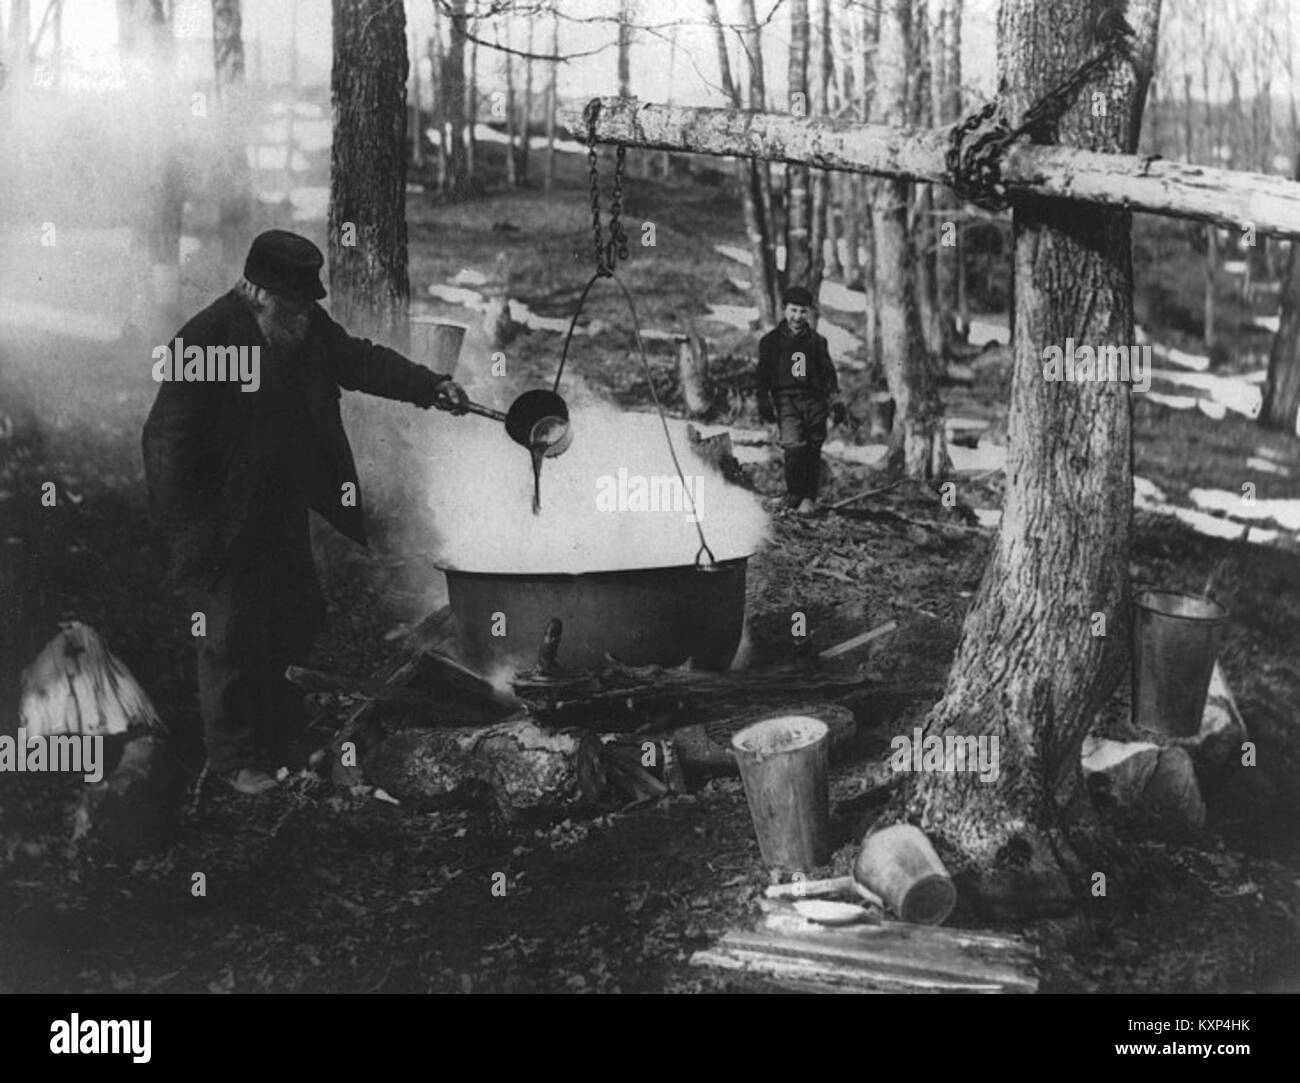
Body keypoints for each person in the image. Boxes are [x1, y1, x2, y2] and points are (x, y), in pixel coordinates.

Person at [142, 230, 469, 795]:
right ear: (259, 293)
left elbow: (359, 360)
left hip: (278, 503)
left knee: (297, 614)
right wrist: (188, 529)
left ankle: (278, 738)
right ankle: (233, 760)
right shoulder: (208, 341)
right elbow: (164, 440)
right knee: (231, 632)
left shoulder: (300, 327)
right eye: (295, 302)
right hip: (219, 514)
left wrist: (430, 386)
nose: (305, 314)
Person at [756, 285, 845, 515]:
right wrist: (763, 400)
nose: (798, 317)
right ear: (784, 309)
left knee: (812, 448)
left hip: (815, 402)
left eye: (803, 312)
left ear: (810, 313)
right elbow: (762, 375)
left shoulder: (817, 342)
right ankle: (793, 492)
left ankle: (808, 497)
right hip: (786, 400)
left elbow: (829, 374)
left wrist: (836, 401)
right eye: (793, 310)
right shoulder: (771, 341)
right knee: (793, 447)